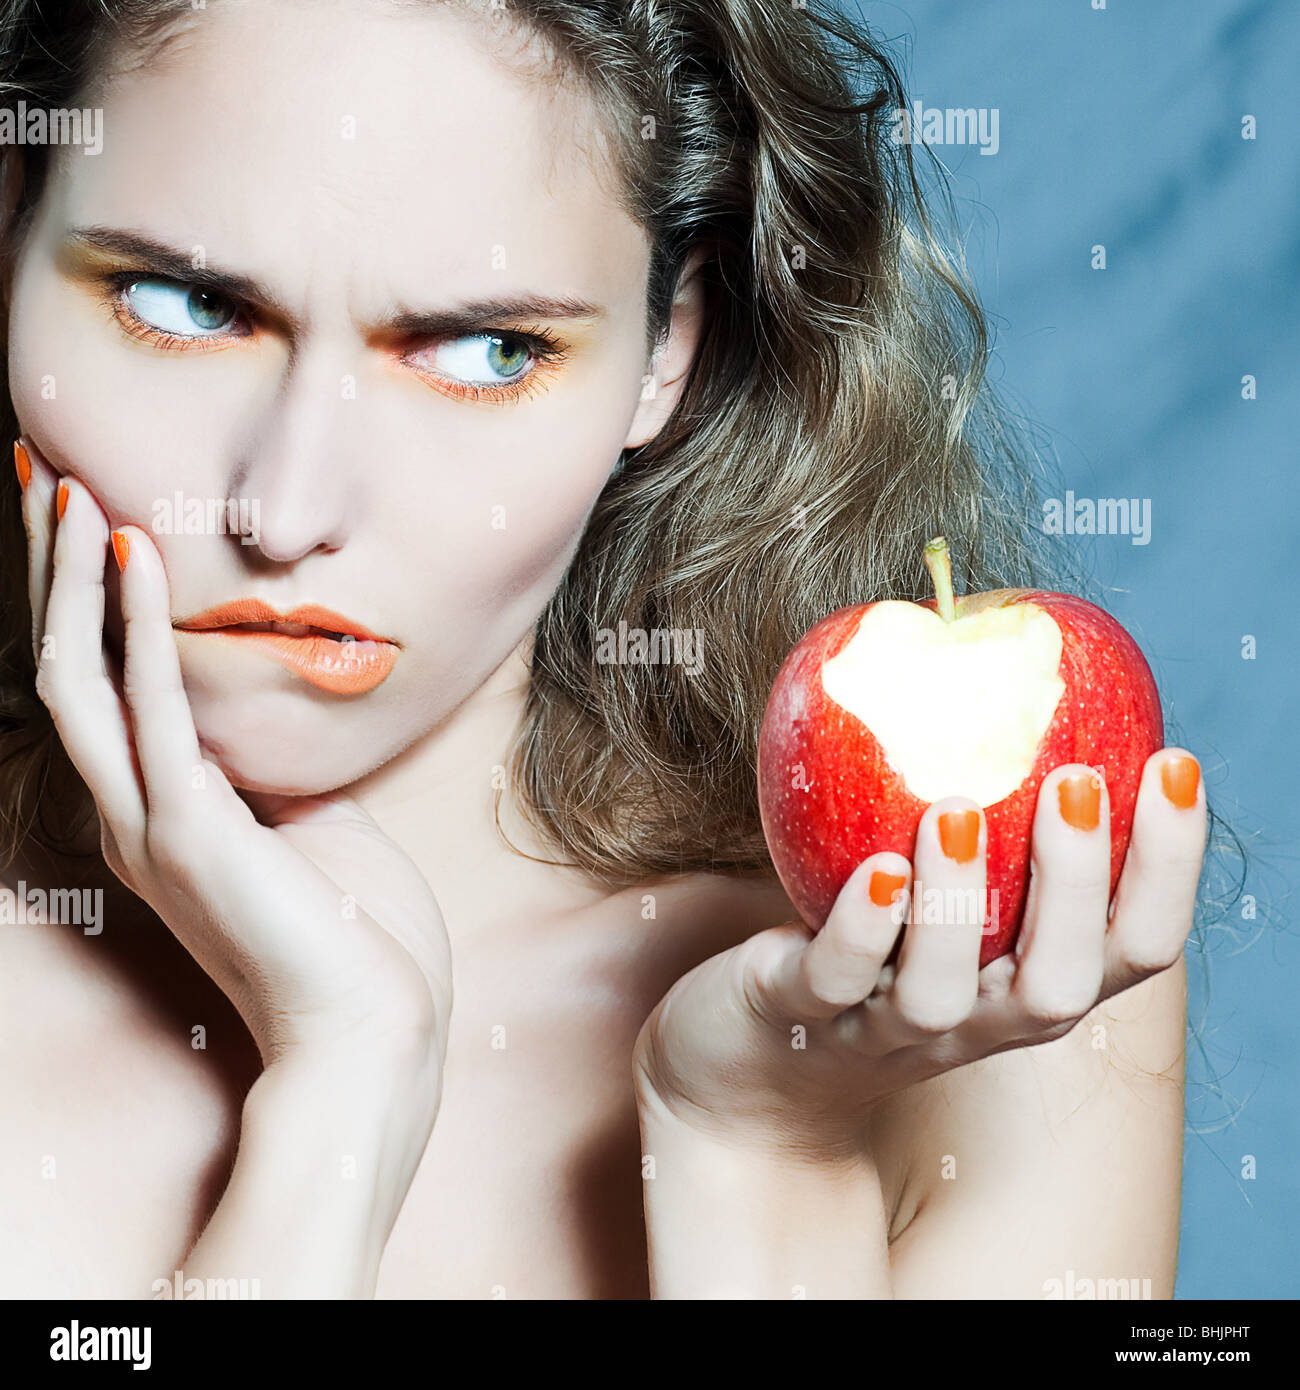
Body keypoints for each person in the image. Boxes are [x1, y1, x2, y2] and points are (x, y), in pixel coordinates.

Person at [0, 0, 1205, 1299]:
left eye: (483, 349)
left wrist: (760, 1150)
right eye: (184, 303)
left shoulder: (979, 995)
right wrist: (340, 1089)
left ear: (663, 352)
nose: (286, 514)